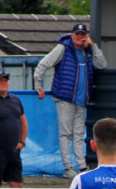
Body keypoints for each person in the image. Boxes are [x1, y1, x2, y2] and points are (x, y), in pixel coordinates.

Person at [35, 22, 107, 178]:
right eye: (77, 34)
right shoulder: (63, 48)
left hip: (82, 100)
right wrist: (38, 85)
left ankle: (81, 167)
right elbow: (43, 64)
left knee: (79, 134)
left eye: (83, 34)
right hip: (64, 98)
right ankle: (68, 168)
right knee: (65, 133)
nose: (80, 37)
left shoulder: (89, 51)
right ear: (72, 35)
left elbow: (101, 65)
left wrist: (94, 46)